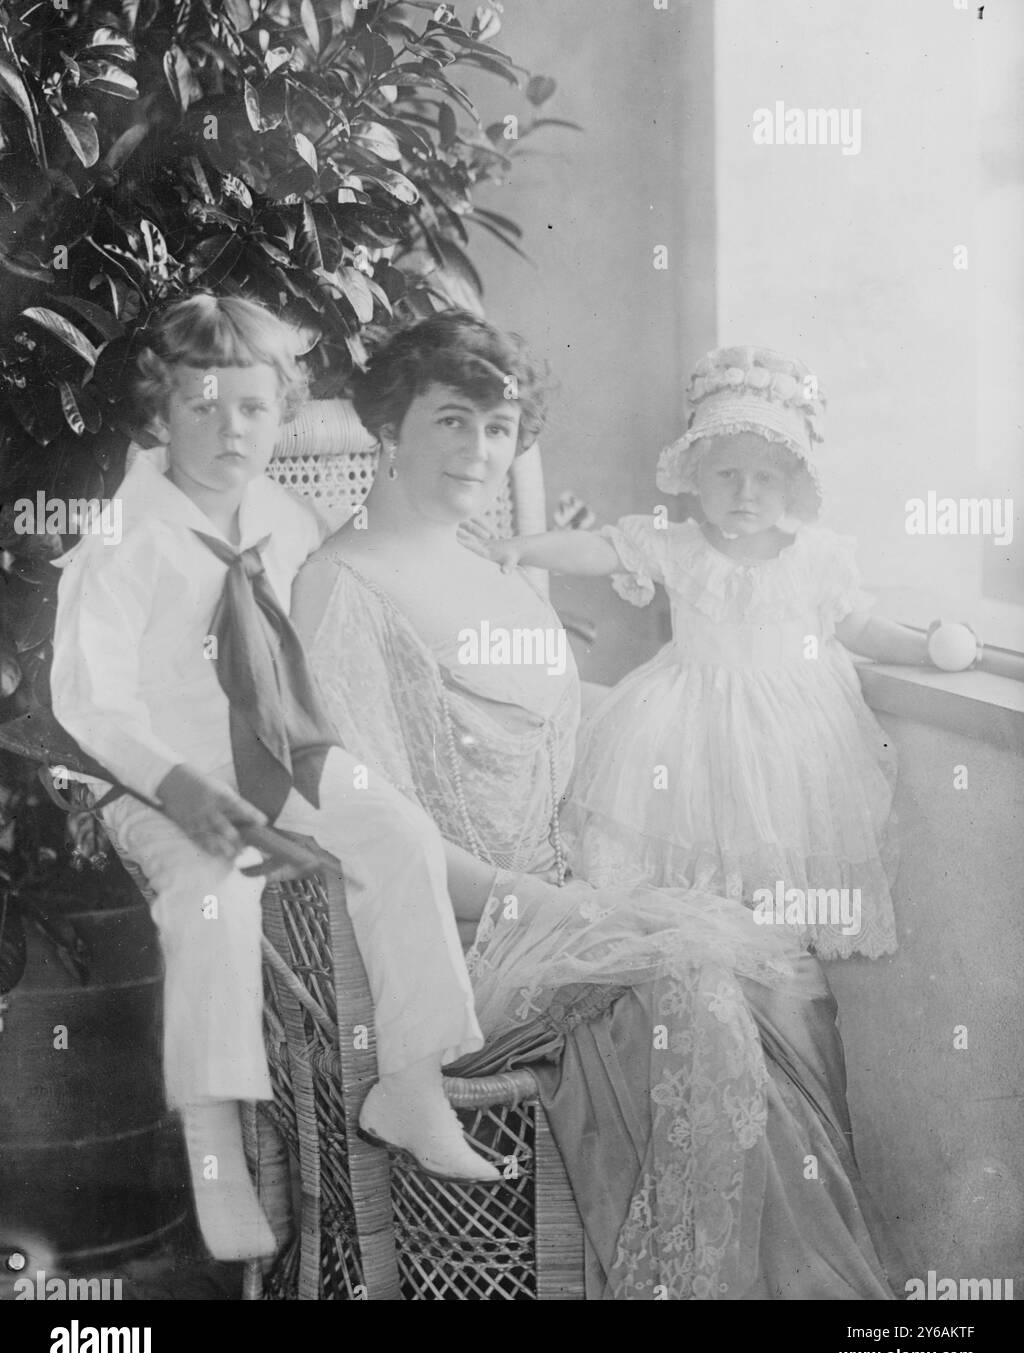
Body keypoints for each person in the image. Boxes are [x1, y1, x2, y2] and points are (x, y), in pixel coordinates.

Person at [291, 311, 904, 1299]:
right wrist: (549, 903)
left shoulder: (484, 568)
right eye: (451, 421)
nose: (479, 452)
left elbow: (557, 744)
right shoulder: (340, 586)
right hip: (449, 945)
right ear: (387, 424)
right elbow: (374, 834)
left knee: (772, 969)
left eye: (497, 429)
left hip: (554, 890)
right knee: (698, 978)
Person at [49, 295, 510, 1265]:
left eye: (253, 410)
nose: (230, 430)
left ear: (282, 413)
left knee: (399, 833)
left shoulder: (281, 517)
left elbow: (311, 646)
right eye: (203, 407)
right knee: (215, 898)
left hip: (277, 751)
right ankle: (215, 1149)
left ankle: (412, 1077)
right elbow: (91, 704)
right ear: (158, 413)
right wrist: (173, 785)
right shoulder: (122, 534)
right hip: (155, 775)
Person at [462, 346, 969, 959]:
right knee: (682, 871)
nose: (745, 492)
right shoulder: (679, 545)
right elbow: (601, 550)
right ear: (697, 477)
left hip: (794, 738)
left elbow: (859, 626)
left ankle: (764, 976)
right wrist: (521, 548)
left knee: (773, 867)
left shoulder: (816, 557)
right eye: (727, 474)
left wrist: (924, 647)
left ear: (793, 486)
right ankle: (695, 965)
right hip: (686, 723)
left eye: (765, 477)